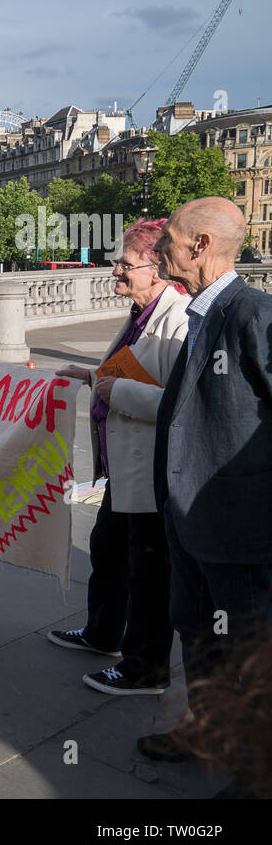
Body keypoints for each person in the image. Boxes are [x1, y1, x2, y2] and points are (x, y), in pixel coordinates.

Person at [137, 196, 272, 780]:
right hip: (188, 516)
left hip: (237, 525)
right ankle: (204, 731)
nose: (158, 246)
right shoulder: (198, 313)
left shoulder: (252, 314)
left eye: (168, 237)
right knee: (197, 632)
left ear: (200, 245)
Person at [50, 218, 189, 695]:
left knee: (149, 572)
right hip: (119, 469)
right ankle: (102, 634)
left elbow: (182, 402)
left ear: (158, 269)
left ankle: (145, 669)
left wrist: (117, 390)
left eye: (126, 265)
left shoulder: (180, 318)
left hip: (151, 473)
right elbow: (128, 371)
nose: (117, 273)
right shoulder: (140, 314)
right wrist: (91, 378)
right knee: (108, 554)